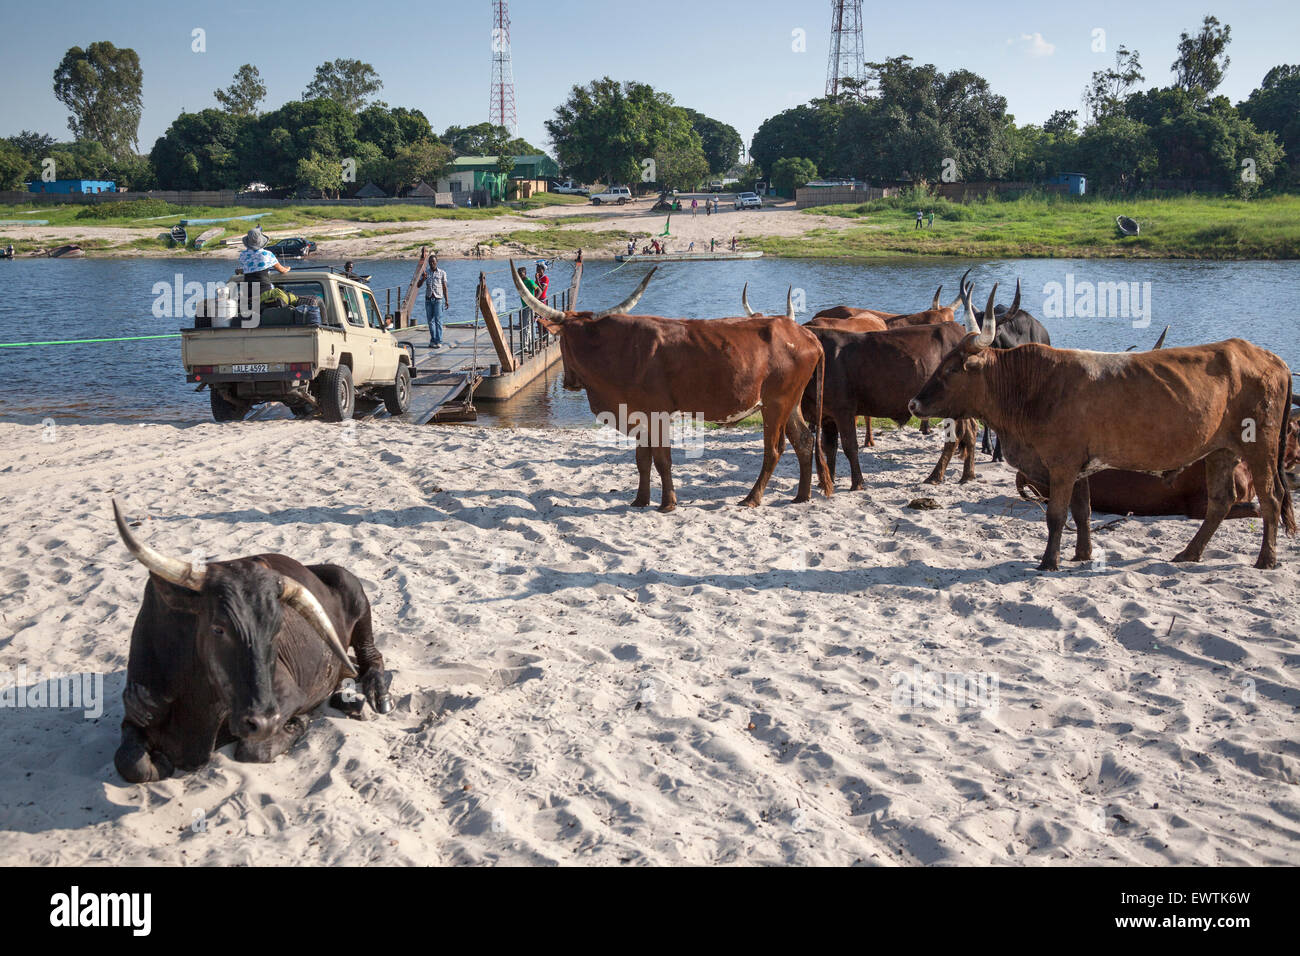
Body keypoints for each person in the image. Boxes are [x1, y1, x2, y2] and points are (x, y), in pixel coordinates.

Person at [416, 254, 449, 350]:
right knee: (430, 321)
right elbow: (418, 285)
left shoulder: (442, 273)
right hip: (428, 300)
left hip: (438, 299)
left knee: (438, 321)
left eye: (433, 262)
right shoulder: (426, 272)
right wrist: (423, 278)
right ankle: (433, 340)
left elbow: (445, 287)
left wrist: (447, 300)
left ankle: (439, 341)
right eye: (430, 262)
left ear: (437, 262)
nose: (432, 264)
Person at [516, 266, 538, 352]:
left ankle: (528, 347)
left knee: (527, 326)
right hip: (524, 306)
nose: (520, 276)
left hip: (529, 306)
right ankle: (526, 346)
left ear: (524, 273)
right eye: (518, 275)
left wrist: (534, 300)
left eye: (521, 274)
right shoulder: (521, 282)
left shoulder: (529, 281)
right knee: (525, 326)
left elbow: (539, 290)